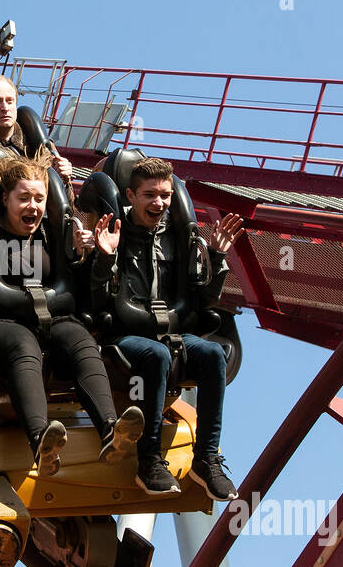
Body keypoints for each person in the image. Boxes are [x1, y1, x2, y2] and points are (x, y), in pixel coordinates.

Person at [0, 155, 142, 475]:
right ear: (5, 198)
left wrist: (96, 255)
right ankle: (41, 440)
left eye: (39, 198)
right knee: (23, 345)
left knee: (80, 340)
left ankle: (111, 429)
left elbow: (84, 294)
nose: (33, 206)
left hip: (52, 316)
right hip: (1, 323)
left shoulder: (51, 236)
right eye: (24, 198)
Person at [89, 156, 243, 498]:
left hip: (174, 330)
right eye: (150, 195)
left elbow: (203, 300)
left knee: (213, 353)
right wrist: (102, 258)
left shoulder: (177, 236)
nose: (158, 203)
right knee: (156, 355)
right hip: (125, 336)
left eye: (165, 195)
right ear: (131, 195)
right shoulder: (114, 232)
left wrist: (217, 258)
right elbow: (96, 299)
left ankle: (207, 458)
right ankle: (150, 461)